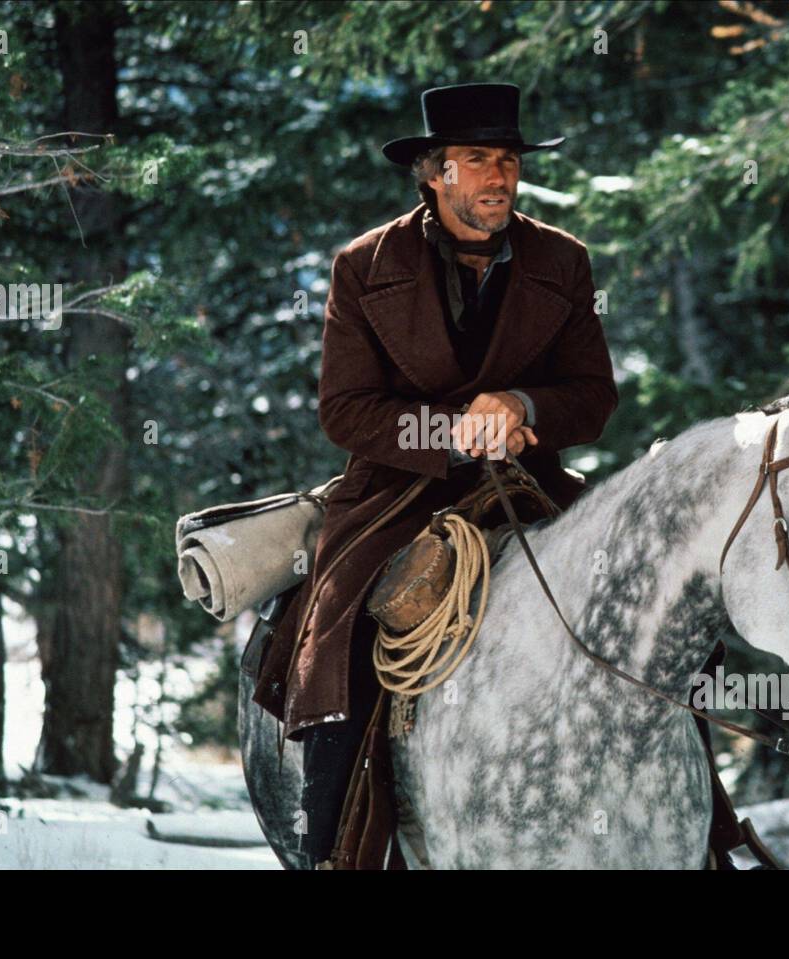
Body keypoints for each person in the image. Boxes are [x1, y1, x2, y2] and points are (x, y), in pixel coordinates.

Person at [250, 83, 619, 868]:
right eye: (478, 159)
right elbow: (344, 411)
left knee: (635, 587)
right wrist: (452, 432)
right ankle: (334, 848)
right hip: (397, 490)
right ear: (433, 172)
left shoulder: (564, 260)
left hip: (528, 480)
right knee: (342, 630)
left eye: (509, 160)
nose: (499, 176)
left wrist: (523, 404)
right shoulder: (363, 266)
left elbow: (593, 399)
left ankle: (706, 823)